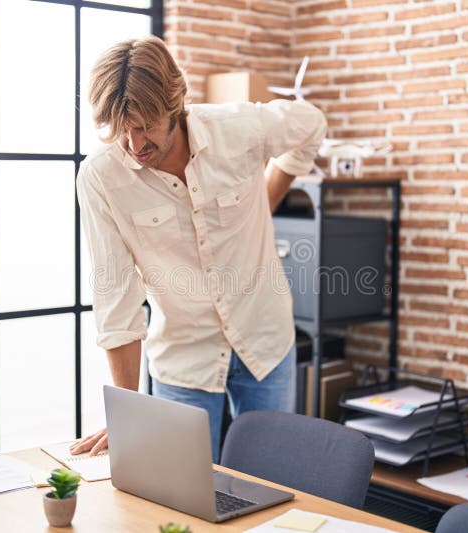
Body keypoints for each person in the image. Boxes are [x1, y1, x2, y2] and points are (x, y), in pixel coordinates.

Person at [71, 35, 326, 462]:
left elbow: (311, 123)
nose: (135, 146)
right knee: (183, 494)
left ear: (176, 104)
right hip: (183, 358)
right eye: (122, 131)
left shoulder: (239, 130)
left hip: (265, 338)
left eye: (146, 126)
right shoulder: (100, 178)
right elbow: (116, 300)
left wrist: (267, 197)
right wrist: (126, 413)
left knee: (270, 488)